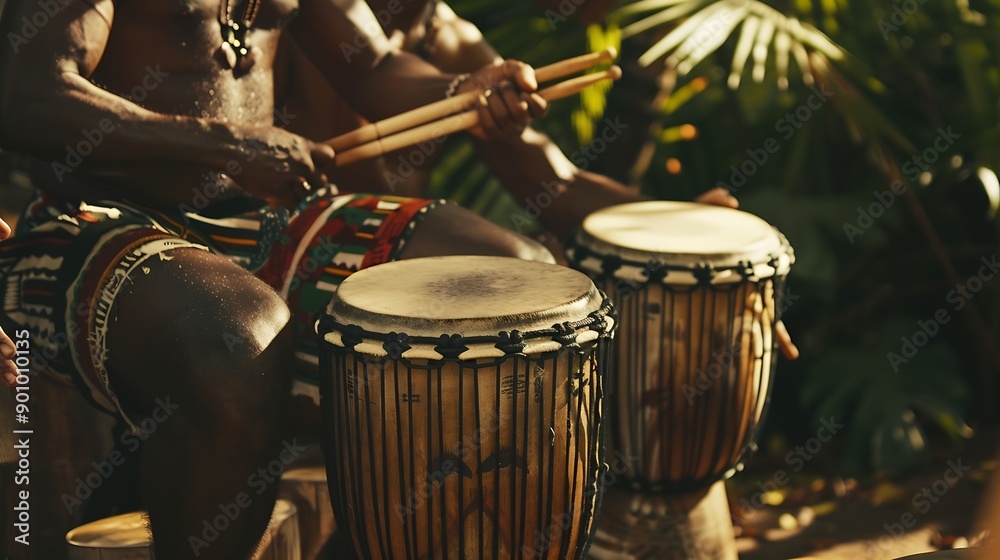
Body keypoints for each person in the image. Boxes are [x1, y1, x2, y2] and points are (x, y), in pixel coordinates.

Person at [0, 1, 557, 558]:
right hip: (90, 216)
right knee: (240, 340)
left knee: (512, 288)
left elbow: (374, 67)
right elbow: (30, 95)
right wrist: (229, 145)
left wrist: (464, 88)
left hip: (251, 213)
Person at [281, 0, 738, 240]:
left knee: (554, 266)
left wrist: (677, 226)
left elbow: (558, 188)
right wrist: (461, 94)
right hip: (285, 247)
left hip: (394, 268)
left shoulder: (451, 38)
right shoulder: (297, 17)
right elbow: (373, 73)